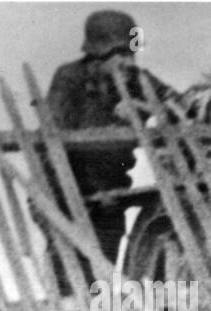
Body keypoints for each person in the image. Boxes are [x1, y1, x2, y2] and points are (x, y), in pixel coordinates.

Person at [44, 10, 177, 277]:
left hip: (112, 190)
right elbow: (56, 136)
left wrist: (143, 106)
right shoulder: (69, 78)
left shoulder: (135, 79)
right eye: (120, 54)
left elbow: (178, 105)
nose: (128, 62)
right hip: (64, 191)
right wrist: (111, 118)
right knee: (72, 271)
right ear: (98, 56)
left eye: (131, 54)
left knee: (104, 269)